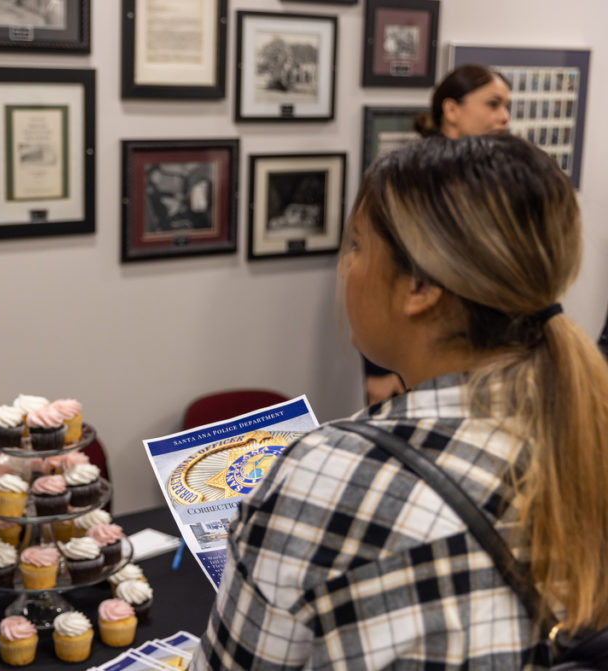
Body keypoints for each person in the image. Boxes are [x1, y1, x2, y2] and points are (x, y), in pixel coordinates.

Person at [192, 134, 608, 668]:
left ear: (418, 287)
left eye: (359, 244)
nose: (348, 266)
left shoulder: (328, 475)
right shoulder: (583, 426)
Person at [364, 63, 512, 405]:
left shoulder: (497, 183)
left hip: (483, 353)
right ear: (451, 109)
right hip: (416, 350)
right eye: (493, 104)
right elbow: (376, 271)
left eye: (507, 107)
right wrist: (378, 367)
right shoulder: (409, 181)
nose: (504, 117)